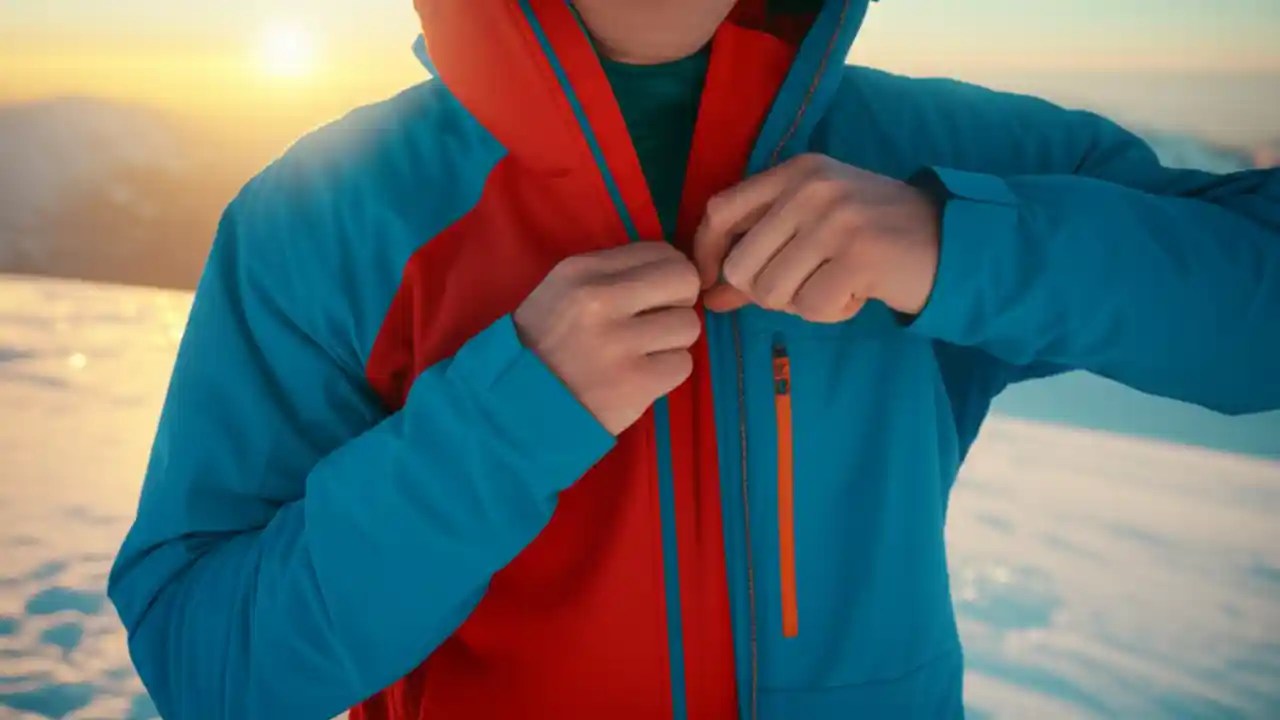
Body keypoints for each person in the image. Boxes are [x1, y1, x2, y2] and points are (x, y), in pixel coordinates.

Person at [107, 1, 1280, 718]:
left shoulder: (935, 151)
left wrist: (956, 241)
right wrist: (502, 421)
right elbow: (215, 674)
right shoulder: (324, 219)